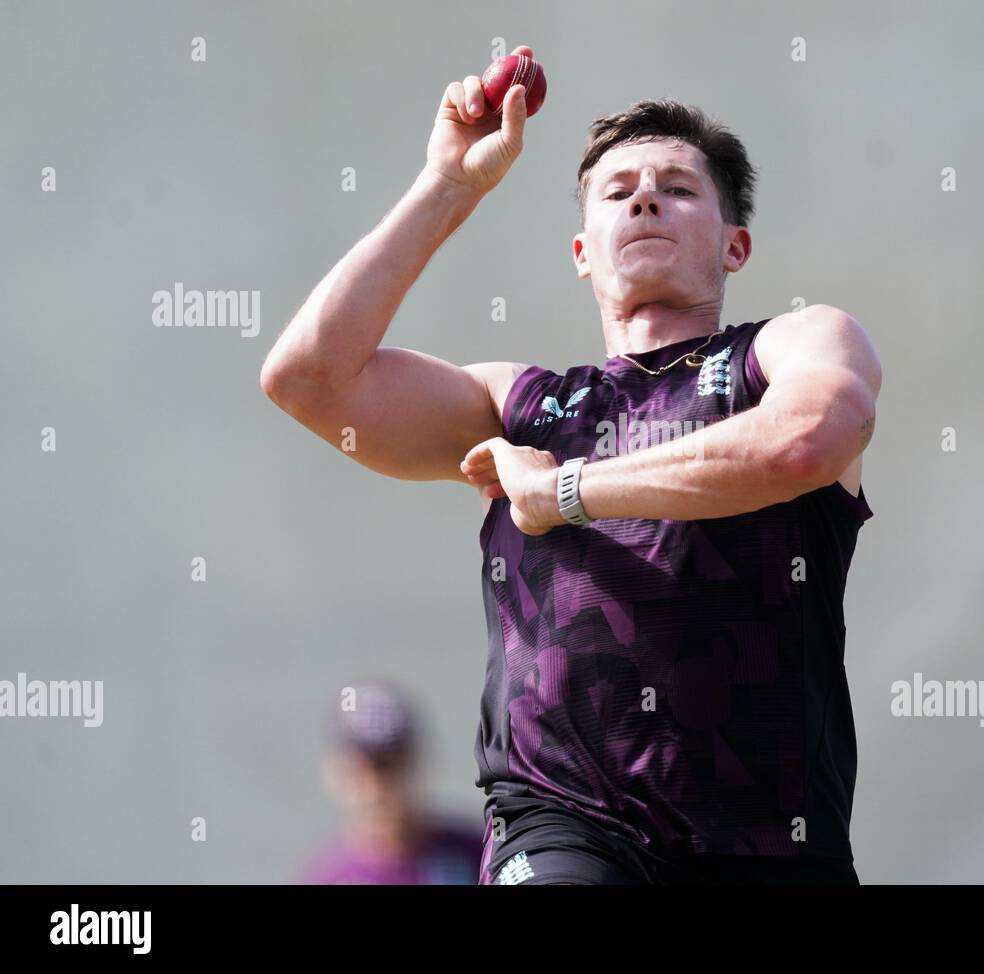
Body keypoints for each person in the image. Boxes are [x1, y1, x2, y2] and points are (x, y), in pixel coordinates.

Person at [262, 44, 883, 885]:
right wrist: (448, 188)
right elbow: (308, 380)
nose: (646, 199)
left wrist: (564, 492)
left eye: (678, 188)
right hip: (559, 827)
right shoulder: (520, 404)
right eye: (618, 192)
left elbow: (808, 439)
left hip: (769, 839)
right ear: (584, 252)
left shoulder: (786, 348)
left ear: (734, 247)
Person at [301, 681, 481, 885]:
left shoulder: (476, 855)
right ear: (333, 772)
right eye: (358, 772)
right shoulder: (326, 878)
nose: (374, 788)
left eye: (387, 767)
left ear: (415, 764)